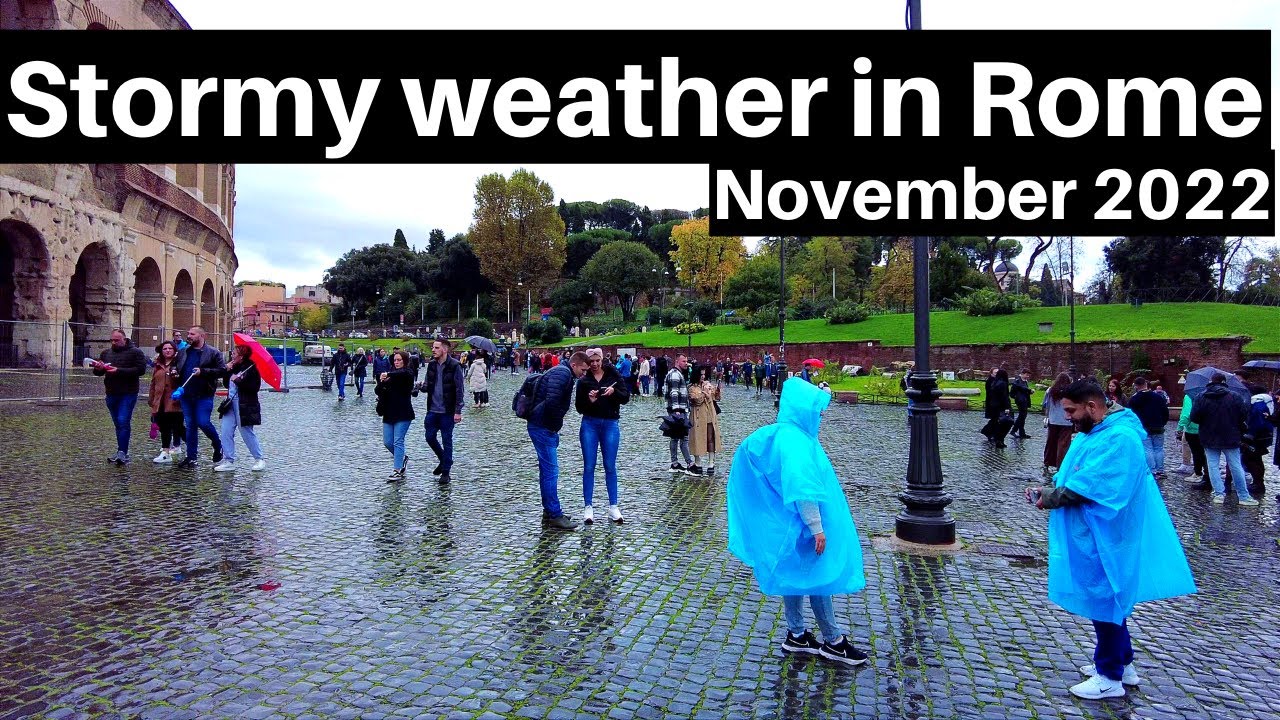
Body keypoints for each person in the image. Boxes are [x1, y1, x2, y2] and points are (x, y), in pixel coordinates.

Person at [1024, 379, 1196, 699]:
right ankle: (1122, 662)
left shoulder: (1120, 438)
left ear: (1092, 406)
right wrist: (1046, 490)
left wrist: (1049, 497)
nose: (1070, 418)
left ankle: (1109, 676)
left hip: (1109, 534)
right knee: (1107, 597)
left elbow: (1094, 486)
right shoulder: (1100, 431)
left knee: (1107, 597)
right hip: (1097, 532)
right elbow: (1080, 474)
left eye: (1072, 411)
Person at [727, 377, 869, 667]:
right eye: (817, 409)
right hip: (803, 524)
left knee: (793, 575)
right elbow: (802, 489)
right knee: (819, 577)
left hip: (788, 522)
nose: (821, 415)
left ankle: (797, 633)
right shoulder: (796, 442)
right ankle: (833, 641)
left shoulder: (778, 434)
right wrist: (817, 528)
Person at [527, 350, 591, 530]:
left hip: (541, 425)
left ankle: (549, 510)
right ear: (574, 365)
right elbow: (553, 402)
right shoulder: (563, 374)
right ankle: (555, 514)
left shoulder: (562, 372)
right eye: (583, 370)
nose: (584, 374)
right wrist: (554, 426)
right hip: (543, 426)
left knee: (546, 471)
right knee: (551, 471)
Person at [576, 347, 630, 524]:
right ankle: (588, 507)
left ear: (602, 360)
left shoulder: (613, 376)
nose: (594, 364)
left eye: (597, 361)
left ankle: (613, 506)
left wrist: (614, 393)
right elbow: (579, 408)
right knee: (589, 466)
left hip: (610, 423)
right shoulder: (583, 381)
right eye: (591, 362)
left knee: (610, 465)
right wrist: (589, 401)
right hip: (590, 423)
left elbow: (626, 397)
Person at [1190, 373, 1258, 506]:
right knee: (1236, 466)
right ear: (1224, 382)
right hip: (1231, 435)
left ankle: (1218, 494)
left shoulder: (1201, 396)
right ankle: (1243, 496)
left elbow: (1194, 417)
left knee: (1213, 465)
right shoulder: (1235, 396)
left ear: (1211, 381)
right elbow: (1243, 414)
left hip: (1208, 435)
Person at [89, 329, 149, 465]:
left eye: (116, 340)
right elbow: (98, 373)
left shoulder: (135, 352)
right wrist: (99, 368)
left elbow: (141, 370)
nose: (114, 342)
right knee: (118, 423)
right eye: (112, 340)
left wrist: (119, 371)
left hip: (128, 392)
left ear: (124, 339)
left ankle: (123, 452)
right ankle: (121, 450)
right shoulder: (106, 353)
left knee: (123, 420)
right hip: (111, 392)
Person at [174, 326, 225, 469]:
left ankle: (217, 444)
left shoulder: (213, 353)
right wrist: (174, 372)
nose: (188, 336)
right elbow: (177, 367)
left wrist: (203, 372)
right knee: (190, 426)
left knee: (203, 422)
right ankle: (191, 457)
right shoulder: (183, 352)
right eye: (188, 333)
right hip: (186, 395)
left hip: (204, 394)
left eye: (192, 334)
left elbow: (221, 371)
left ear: (202, 335)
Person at [212, 343, 267, 472]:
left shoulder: (251, 368)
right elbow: (227, 384)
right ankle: (229, 460)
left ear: (241, 356)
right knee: (226, 430)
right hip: (230, 403)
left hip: (245, 404)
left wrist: (238, 380)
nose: (232, 355)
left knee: (246, 432)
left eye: (235, 353)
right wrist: (227, 371)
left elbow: (254, 388)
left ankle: (259, 458)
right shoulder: (233, 367)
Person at [418, 338, 465, 485]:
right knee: (429, 437)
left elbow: (459, 389)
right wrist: (421, 386)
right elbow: (427, 385)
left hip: (447, 411)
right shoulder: (431, 365)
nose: (433, 350)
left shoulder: (454, 366)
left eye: (436, 348)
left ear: (444, 349)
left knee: (447, 440)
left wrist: (458, 411)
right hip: (432, 409)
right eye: (433, 347)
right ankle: (444, 459)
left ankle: (446, 473)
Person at [376, 350, 415, 482]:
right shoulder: (391, 375)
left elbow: (403, 374)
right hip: (389, 412)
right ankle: (402, 458)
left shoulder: (407, 373)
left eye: (399, 360)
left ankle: (397, 470)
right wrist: (382, 381)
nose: (397, 362)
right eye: (395, 360)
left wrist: (388, 374)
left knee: (398, 440)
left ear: (404, 361)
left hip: (403, 412)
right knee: (387, 442)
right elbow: (378, 390)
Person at [148, 340, 186, 463]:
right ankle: (165, 452)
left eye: (170, 348)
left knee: (178, 427)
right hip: (160, 401)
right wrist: (152, 399)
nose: (167, 350)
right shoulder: (158, 365)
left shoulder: (179, 364)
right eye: (165, 349)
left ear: (175, 351)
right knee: (164, 427)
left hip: (175, 402)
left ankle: (192, 447)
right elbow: (153, 383)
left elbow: (184, 381)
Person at [1126, 377, 1169, 478]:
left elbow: (1131, 415)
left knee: (1148, 449)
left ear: (1136, 386)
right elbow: (1165, 412)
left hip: (1143, 427)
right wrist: (1162, 422)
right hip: (1158, 426)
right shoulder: (1158, 397)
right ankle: (1160, 470)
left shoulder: (1134, 399)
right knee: (1159, 449)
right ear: (1146, 384)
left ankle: (1152, 470)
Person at [664, 354, 696, 474]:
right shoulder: (675, 375)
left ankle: (675, 463)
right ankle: (689, 463)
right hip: (678, 410)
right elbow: (674, 393)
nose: (686, 363)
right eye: (683, 361)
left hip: (678, 409)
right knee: (682, 437)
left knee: (675, 437)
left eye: (686, 361)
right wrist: (677, 409)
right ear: (677, 361)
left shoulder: (676, 373)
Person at [1241, 383, 1275, 496]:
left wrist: (1251, 433)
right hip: (1263, 435)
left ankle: (1258, 483)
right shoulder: (1265, 401)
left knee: (1252, 459)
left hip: (1257, 436)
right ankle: (1258, 482)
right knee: (1255, 459)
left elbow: (1258, 421)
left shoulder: (1258, 403)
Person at [688, 365, 723, 475]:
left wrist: (717, 390)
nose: (703, 377)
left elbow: (716, 398)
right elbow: (696, 399)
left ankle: (711, 463)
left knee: (710, 438)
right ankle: (697, 462)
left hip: (709, 414)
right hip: (698, 415)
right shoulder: (692, 387)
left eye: (704, 374)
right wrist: (704, 392)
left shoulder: (708, 385)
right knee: (698, 438)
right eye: (700, 375)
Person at [1042, 373, 1074, 470]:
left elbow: (1045, 404)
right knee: (1063, 445)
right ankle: (1060, 465)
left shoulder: (1050, 391)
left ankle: (1047, 461)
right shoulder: (1071, 392)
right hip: (1066, 421)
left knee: (1050, 442)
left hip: (1053, 420)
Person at [981, 369, 1013, 448]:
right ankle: (998, 439)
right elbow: (1004, 396)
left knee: (996, 422)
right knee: (1006, 422)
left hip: (994, 406)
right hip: (1001, 406)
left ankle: (995, 437)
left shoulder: (995, 383)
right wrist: (1007, 407)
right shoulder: (1003, 384)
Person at [1009, 369, 1033, 439]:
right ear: (1022, 374)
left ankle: (1021, 433)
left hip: (1025, 400)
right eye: (1026, 374)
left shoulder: (1024, 381)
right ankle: (1014, 430)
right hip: (1020, 401)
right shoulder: (1017, 381)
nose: (1027, 376)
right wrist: (1028, 391)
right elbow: (1019, 389)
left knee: (1023, 417)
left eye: (1028, 375)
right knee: (1022, 416)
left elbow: (1024, 390)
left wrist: (1029, 392)